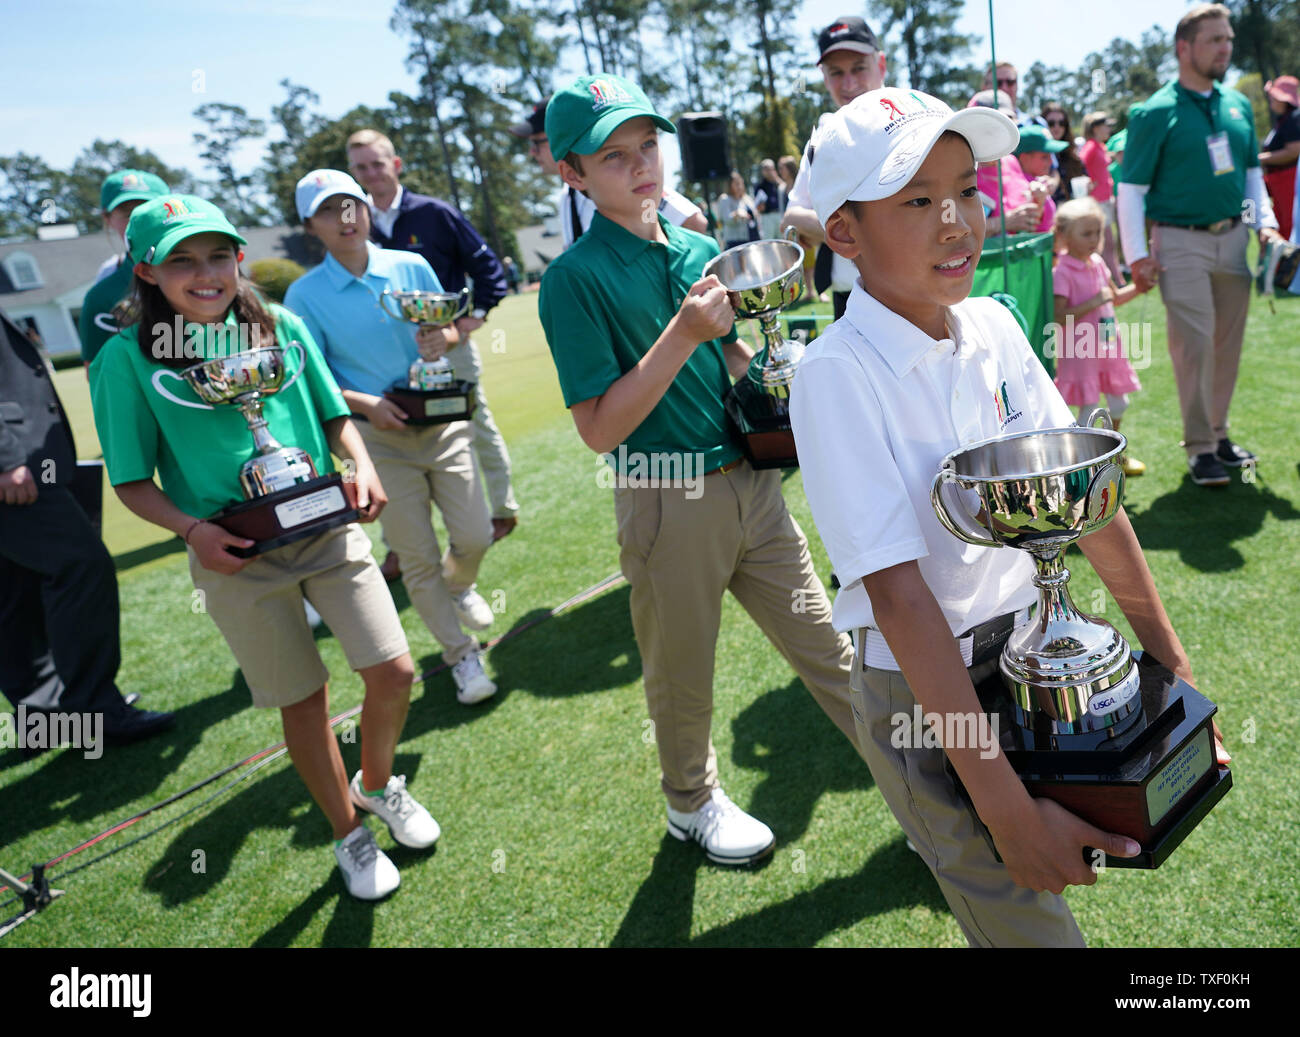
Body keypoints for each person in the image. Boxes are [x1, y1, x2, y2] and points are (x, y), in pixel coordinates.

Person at [789, 86, 1225, 947]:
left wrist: (1175, 682)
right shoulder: (831, 373)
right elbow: (904, 603)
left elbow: (1088, 507)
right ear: (844, 232)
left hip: (1026, 659)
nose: (956, 220)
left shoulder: (992, 323)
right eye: (916, 199)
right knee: (1038, 931)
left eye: (965, 188)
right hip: (924, 694)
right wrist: (1003, 806)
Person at [538, 73, 865, 867]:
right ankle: (690, 804)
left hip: (752, 485)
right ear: (571, 173)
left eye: (647, 145)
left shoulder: (694, 250)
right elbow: (600, 427)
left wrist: (778, 381)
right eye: (613, 156)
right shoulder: (571, 279)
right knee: (683, 675)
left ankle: (932, 779)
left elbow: (734, 356)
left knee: (832, 647)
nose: (641, 165)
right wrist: (685, 334)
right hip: (664, 497)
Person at [89, 194, 438, 900]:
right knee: (304, 699)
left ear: (239, 258)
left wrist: (362, 463)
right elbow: (130, 480)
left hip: (326, 528)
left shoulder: (278, 323)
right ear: (147, 271)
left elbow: (335, 416)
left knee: (395, 670)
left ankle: (375, 783)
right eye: (182, 260)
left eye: (218, 254)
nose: (206, 273)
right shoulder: (125, 359)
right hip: (235, 556)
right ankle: (349, 834)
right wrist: (193, 530)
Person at [283, 170, 498, 706]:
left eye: (352, 205)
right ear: (312, 225)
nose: (345, 218)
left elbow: (448, 327)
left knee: (474, 536)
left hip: (439, 422)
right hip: (377, 440)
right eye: (330, 210)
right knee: (417, 556)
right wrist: (367, 405)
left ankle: (460, 584)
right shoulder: (303, 295)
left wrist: (440, 338)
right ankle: (460, 656)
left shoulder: (409, 264)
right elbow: (316, 378)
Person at [1118, 2, 1284, 487]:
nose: (1225, 47)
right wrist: (1137, 256)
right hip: (1178, 242)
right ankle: (1200, 450)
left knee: (1226, 345)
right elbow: (1132, 191)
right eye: (1215, 39)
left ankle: (1218, 433)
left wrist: (1264, 225)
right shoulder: (1154, 111)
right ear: (1183, 48)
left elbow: (1253, 176)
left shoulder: (1235, 105)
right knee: (1194, 345)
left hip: (1235, 238)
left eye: (1228, 39)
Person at [2, 307, 174, 756]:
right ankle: (94, 712)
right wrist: (4, 458)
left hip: (27, 459)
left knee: (16, 588)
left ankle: (47, 720)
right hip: (13, 466)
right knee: (82, 565)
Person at [346, 130, 520, 547]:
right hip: (386, 359)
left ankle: (502, 509)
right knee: (392, 443)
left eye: (377, 164)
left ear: (396, 164)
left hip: (448, 350)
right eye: (361, 168)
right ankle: (402, 544)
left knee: (476, 426)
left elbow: (488, 269)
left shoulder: (434, 213)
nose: (371, 174)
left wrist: (464, 325)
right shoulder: (352, 223)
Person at [781, 15, 888, 321]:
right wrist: (860, 232)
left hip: (911, 290)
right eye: (836, 73)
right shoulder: (821, 138)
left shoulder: (911, 122)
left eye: (858, 68)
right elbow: (791, 216)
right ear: (824, 77)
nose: (849, 83)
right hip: (847, 299)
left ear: (880, 65)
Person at [509, 96, 709, 247]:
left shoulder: (614, 182)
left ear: (560, 138)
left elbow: (692, 222)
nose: (532, 152)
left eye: (537, 142)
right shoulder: (568, 194)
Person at [1051, 197, 1150, 476]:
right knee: (1088, 410)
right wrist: (1094, 302)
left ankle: (1111, 456)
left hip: (1107, 347)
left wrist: (1140, 287)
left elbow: (1114, 298)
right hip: (1080, 352)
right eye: (1086, 233)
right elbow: (1059, 316)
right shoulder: (1062, 272)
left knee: (1120, 402)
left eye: (1098, 232)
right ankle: (1081, 468)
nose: (1094, 240)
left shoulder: (1096, 262)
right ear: (1065, 235)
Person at [79, 170, 170, 367]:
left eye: (149, 208)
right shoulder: (102, 296)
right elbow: (98, 372)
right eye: (128, 213)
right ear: (107, 218)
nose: (139, 219)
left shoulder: (213, 271)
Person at [977, 123, 1060, 234]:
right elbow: (959, 228)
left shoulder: (1010, 161)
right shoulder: (967, 170)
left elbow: (1031, 222)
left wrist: (1039, 202)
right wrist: (1002, 223)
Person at [1080, 112, 1125, 283]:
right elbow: (1080, 163)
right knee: (1106, 244)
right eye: (1106, 126)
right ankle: (1115, 282)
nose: (1109, 129)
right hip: (1098, 202)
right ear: (1096, 128)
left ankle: (1112, 280)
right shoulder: (1091, 146)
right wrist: (1088, 182)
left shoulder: (1099, 145)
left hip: (1105, 200)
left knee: (1107, 243)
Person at [1260, 76, 1300, 241]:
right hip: (1280, 184)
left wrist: (1261, 158)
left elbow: (1293, 151)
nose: (1271, 100)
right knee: (1282, 225)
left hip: (1289, 182)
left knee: (1290, 226)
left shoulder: (1294, 118)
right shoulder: (1283, 120)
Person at [1041, 102, 1086, 204]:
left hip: (1072, 211)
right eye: (1051, 123)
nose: (1057, 127)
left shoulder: (1072, 153)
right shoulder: (1036, 154)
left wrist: (1086, 182)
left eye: (1061, 123)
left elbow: (1083, 175)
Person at [716, 171, 759, 249]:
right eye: (736, 183)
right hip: (734, 243)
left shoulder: (747, 198)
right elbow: (726, 219)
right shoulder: (725, 199)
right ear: (730, 185)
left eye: (740, 183)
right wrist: (736, 214)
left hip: (751, 239)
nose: (739, 186)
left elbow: (755, 216)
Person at [753, 159, 784, 239]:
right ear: (763, 171)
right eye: (766, 169)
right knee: (769, 241)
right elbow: (758, 206)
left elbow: (785, 189)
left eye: (771, 169)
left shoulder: (778, 182)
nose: (769, 171)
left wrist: (776, 179)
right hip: (767, 216)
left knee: (782, 241)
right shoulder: (760, 185)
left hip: (779, 215)